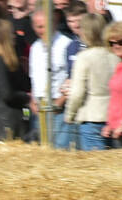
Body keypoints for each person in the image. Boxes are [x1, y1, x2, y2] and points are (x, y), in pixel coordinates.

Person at [65, 11, 118, 145]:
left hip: (92, 117)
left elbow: (77, 93)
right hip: (113, 118)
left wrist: (70, 115)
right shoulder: (115, 56)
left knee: (96, 164)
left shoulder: (84, 57)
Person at [29, 2, 72, 141]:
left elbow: (73, 77)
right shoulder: (35, 48)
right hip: (40, 109)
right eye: (37, 27)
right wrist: (32, 101)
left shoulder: (66, 45)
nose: (41, 30)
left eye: (44, 26)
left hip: (58, 109)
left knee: (60, 151)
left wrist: (61, 100)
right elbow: (33, 78)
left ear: (53, 23)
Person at [102, 21, 122, 142]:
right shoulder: (120, 65)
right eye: (112, 43)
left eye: (121, 42)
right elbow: (116, 99)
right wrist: (109, 124)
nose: (116, 46)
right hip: (115, 130)